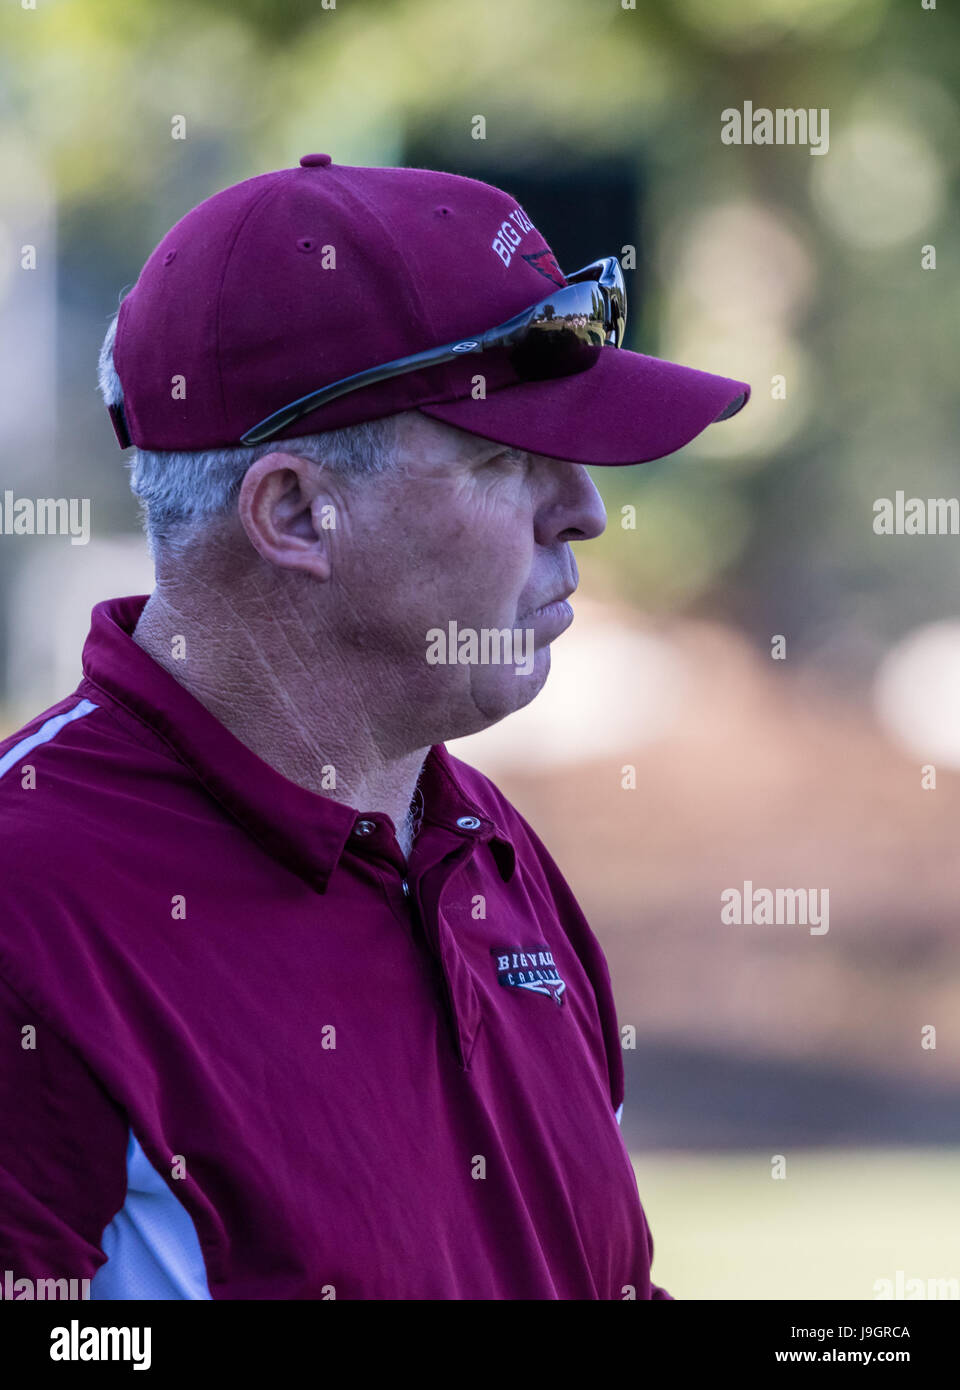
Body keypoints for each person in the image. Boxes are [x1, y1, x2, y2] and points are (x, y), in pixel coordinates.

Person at [0, 155, 749, 1300]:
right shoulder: (29, 902)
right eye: (506, 458)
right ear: (296, 512)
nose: (584, 509)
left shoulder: (478, 842)